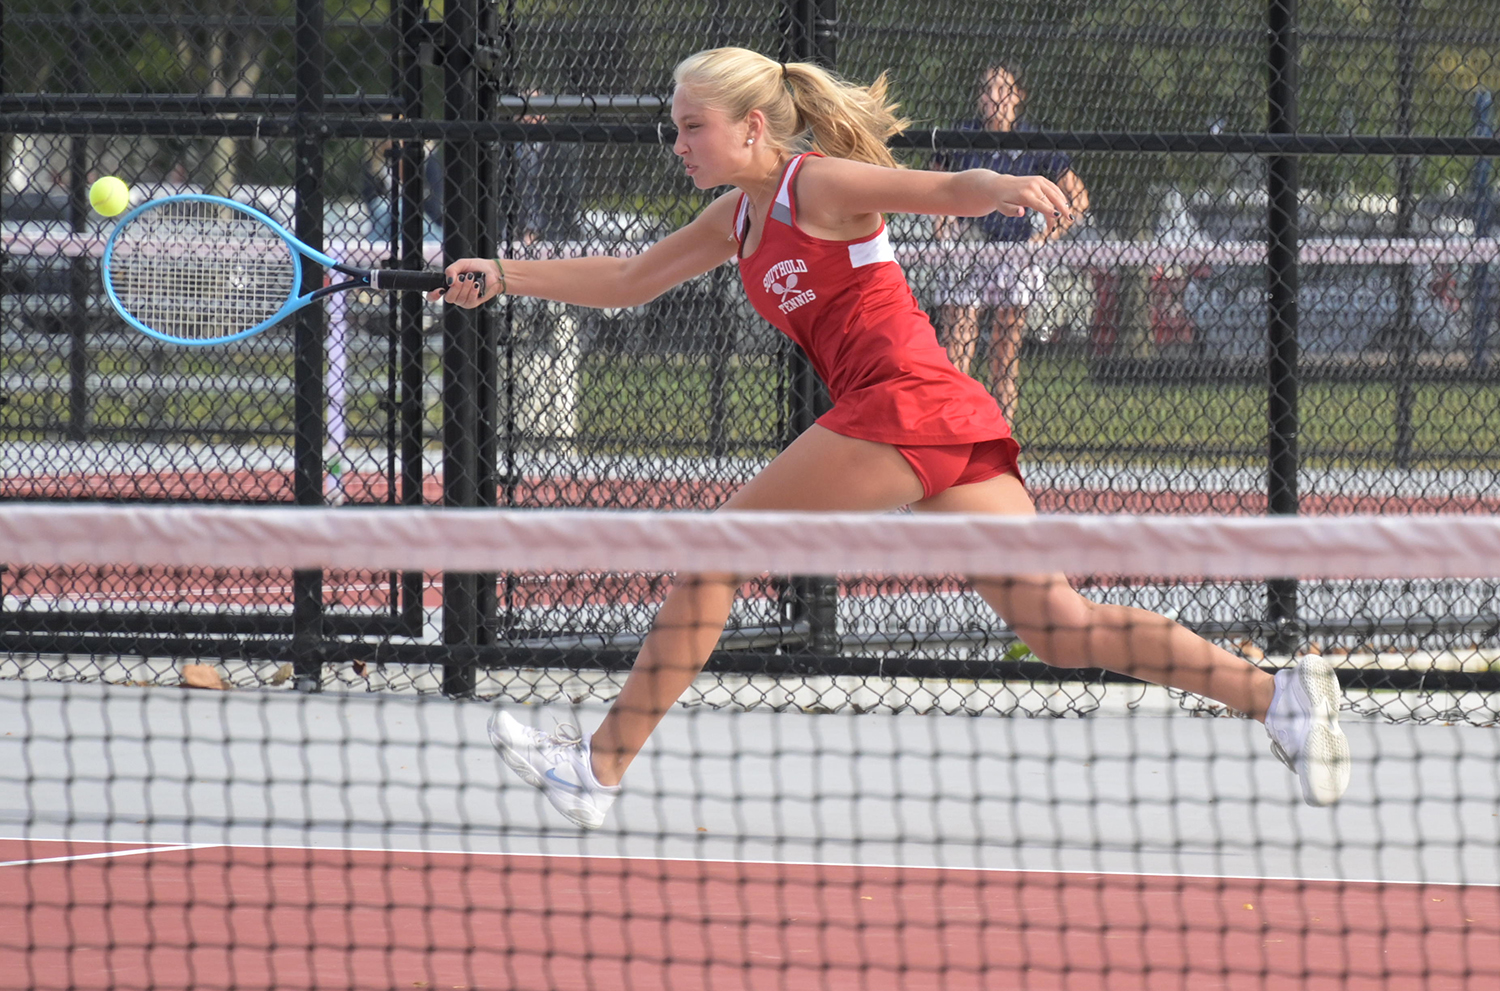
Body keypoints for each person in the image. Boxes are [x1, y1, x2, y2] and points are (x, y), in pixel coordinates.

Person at [433, 47, 1349, 829]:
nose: (677, 143)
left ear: (755, 126)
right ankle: (1277, 697)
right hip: (934, 410)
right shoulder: (735, 219)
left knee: (719, 550)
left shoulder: (816, 184)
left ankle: (598, 768)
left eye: (693, 127)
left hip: (904, 400)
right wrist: (505, 274)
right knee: (1057, 624)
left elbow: (940, 188)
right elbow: (633, 278)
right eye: (676, 127)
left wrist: (1006, 186)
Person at [932, 62, 1090, 419]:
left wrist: (1044, 237)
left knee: (1004, 352)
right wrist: (945, 235)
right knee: (957, 346)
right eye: (987, 89)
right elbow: (933, 186)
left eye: (1003, 89)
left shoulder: (1034, 141)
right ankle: (950, 428)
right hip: (968, 251)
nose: (994, 98)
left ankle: (1001, 435)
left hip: (1016, 254)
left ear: (1019, 96)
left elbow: (1077, 199)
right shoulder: (963, 136)